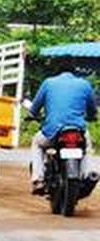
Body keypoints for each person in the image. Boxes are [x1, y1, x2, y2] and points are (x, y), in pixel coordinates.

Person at [29, 62, 98, 194]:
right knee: (87, 149)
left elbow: (35, 107)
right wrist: (92, 116)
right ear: (74, 72)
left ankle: (38, 180)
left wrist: (32, 114)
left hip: (53, 130)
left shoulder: (48, 83)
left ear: (58, 72)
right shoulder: (85, 84)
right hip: (78, 130)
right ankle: (88, 174)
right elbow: (93, 110)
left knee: (37, 143)